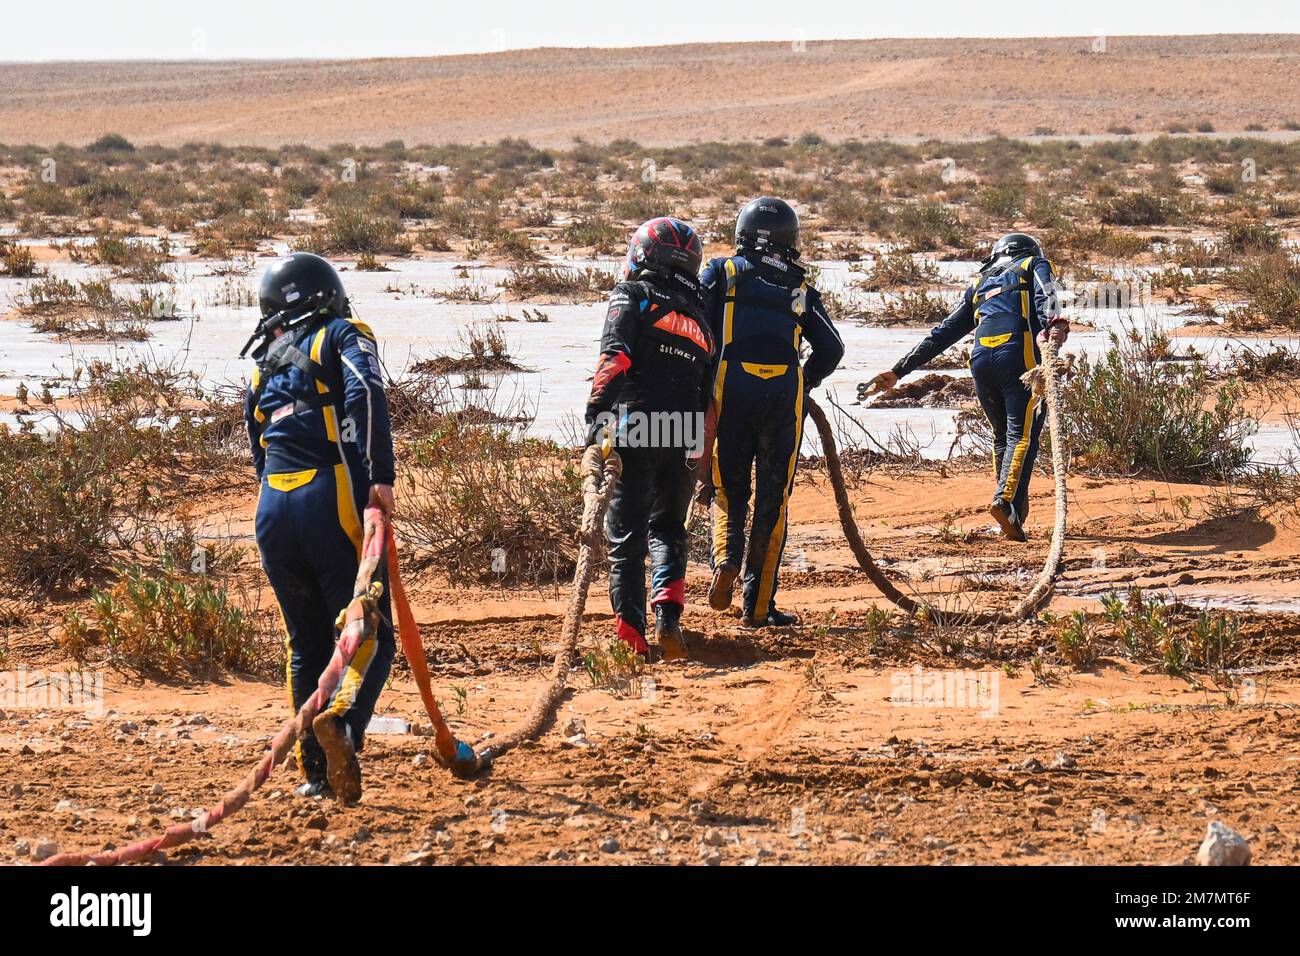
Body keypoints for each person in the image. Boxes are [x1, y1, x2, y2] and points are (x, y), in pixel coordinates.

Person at [243, 252, 397, 803]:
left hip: (271, 510)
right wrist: (380, 477)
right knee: (371, 634)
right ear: (326, 295)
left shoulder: (263, 360)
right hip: (329, 499)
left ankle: (314, 776)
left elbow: (256, 439)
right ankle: (344, 728)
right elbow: (368, 394)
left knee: (306, 642)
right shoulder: (342, 334)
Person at [863, 232, 1068, 541]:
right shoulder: (1033, 263)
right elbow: (1048, 292)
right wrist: (1053, 324)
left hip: (981, 362)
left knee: (1003, 438)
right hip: (1019, 356)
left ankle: (1013, 517)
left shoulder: (979, 286)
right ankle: (1005, 502)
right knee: (1022, 435)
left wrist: (898, 370)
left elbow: (942, 333)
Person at [699, 197, 844, 627]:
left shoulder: (721, 273)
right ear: (791, 239)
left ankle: (726, 558)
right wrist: (804, 383)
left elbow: (699, 328)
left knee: (729, 490)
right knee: (774, 501)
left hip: (732, 388)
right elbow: (832, 348)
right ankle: (758, 608)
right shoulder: (799, 287)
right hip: (783, 393)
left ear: (742, 234)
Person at [585, 217, 715, 661]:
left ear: (640, 254)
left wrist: (594, 424)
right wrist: (701, 455)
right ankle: (668, 618)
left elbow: (615, 361)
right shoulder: (702, 318)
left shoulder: (632, 295)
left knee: (626, 538)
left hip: (634, 426)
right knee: (669, 530)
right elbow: (708, 397)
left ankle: (631, 637)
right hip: (683, 434)